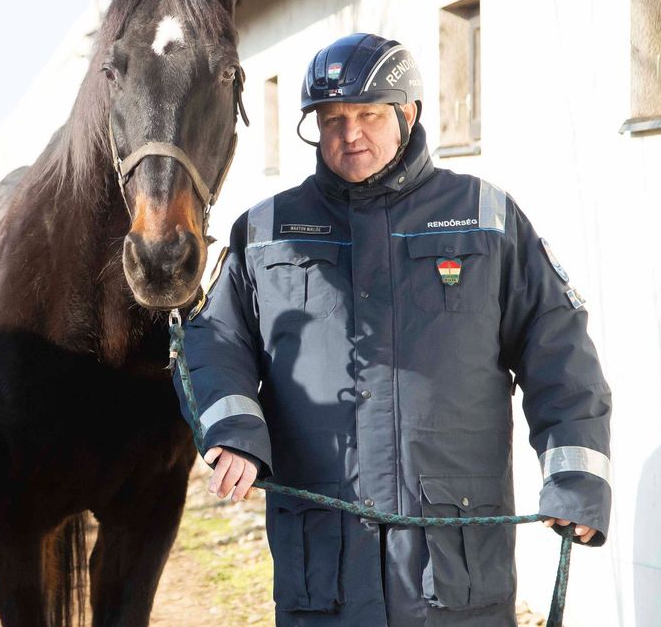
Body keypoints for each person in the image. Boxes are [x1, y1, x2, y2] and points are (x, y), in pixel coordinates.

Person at [175, 33, 612, 626]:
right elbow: (213, 339)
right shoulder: (268, 229)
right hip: (323, 567)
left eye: (368, 115)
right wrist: (233, 428)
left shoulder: (484, 218)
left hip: (453, 568)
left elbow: (558, 347)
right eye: (331, 119)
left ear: (409, 113)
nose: (349, 134)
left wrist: (576, 478)